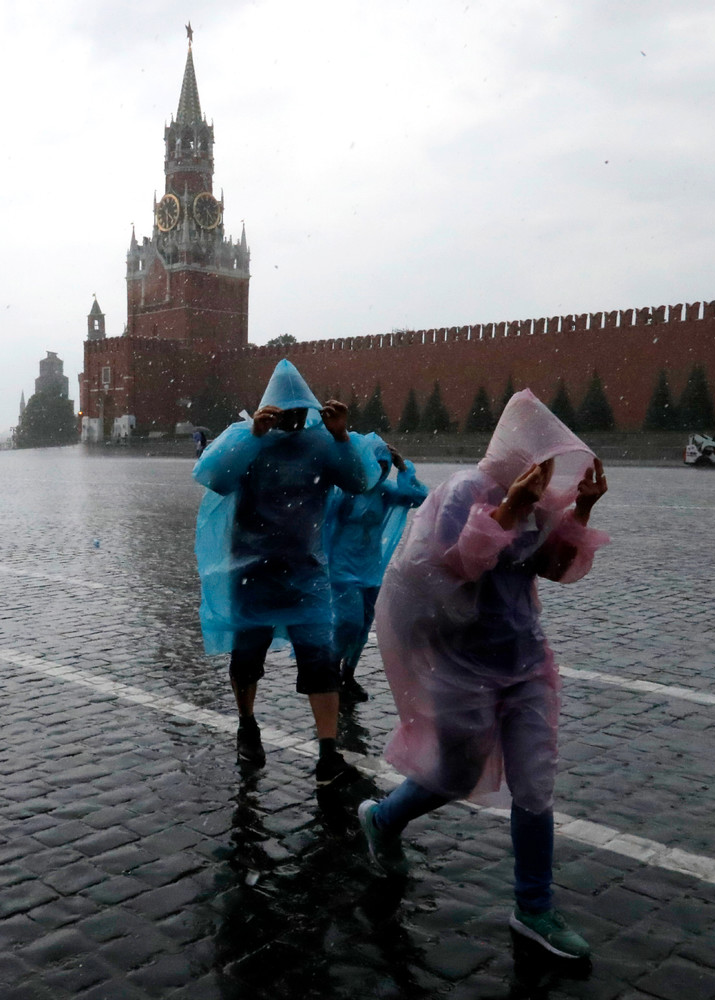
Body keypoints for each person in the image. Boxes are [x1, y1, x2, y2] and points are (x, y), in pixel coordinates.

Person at [357, 389, 609, 960]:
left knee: (535, 781)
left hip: (525, 664)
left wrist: (581, 510)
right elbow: (447, 571)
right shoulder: (464, 491)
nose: (544, 472)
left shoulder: (540, 502)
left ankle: (534, 907)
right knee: (454, 770)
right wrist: (508, 511)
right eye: (537, 458)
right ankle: (384, 819)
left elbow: (554, 566)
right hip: (462, 666)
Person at [194, 359, 379, 786]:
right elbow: (213, 476)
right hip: (252, 572)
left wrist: (342, 435)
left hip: (306, 574)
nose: (293, 419)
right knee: (247, 657)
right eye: (286, 411)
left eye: (299, 411)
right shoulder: (246, 438)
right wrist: (254, 437)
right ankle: (247, 724)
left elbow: (359, 480)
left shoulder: (323, 443)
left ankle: (328, 752)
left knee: (320, 659)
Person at [325, 434, 428, 705]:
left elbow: (418, 497)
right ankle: (330, 672)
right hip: (342, 569)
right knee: (349, 621)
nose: (382, 471)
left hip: (370, 570)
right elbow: (322, 520)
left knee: (363, 624)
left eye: (385, 467)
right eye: (377, 465)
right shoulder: (346, 492)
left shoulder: (385, 492)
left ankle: (347, 675)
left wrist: (403, 467)